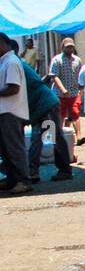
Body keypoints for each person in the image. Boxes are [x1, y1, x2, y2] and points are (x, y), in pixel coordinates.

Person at [18, 44, 73, 183]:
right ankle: (32, 172)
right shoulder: (17, 63)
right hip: (40, 106)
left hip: (46, 106)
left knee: (53, 137)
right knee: (37, 138)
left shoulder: (13, 65)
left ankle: (64, 170)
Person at [0, 34, 32, 194]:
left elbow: (13, 88)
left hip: (11, 111)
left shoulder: (11, 62)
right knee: (6, 149)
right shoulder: (5, 62)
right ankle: (12, 179)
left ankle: (23, 180)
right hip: (5, 111)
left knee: (14, 148)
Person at [49, 38, 85, 147]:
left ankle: (79, 136)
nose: (70, 48)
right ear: (63, 47)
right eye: (68, 46)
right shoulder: (57, 59)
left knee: (75, 113)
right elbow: (54, 76)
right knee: (61, 115)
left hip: (74, 92)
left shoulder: (77, 60)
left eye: (71, 46)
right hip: (59, 93)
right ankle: (59, 136)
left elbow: (80, 75)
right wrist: (63, 89)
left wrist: (81, 89)